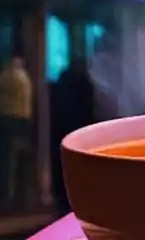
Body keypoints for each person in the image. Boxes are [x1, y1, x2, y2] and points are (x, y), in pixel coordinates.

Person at [49, 59, 95, 215]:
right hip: (80, 137)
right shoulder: (85, 88)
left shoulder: (60, 90)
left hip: (62, 135)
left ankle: (62, 203)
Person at [0, 56, 33, 210]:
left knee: (7, 160)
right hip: (19, 122)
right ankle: (10, 195)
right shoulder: (24, 77)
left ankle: (6, 197)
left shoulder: (14, 76)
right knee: (10, 160)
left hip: (10, 122)